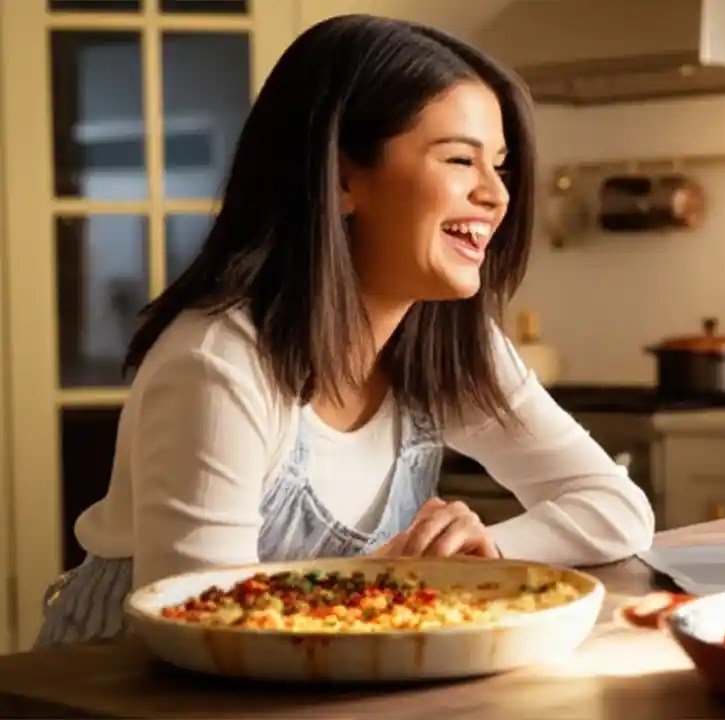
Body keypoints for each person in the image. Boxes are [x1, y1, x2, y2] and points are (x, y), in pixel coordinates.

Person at [34, 14, 655, 647]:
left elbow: (617, 512)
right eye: (461, 159)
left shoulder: (448, 342)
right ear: (341, 178)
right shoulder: (218, 364)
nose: (496, 195)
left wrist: (479, 550)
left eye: (500, 166)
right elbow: (207, 635)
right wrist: (379, 583)